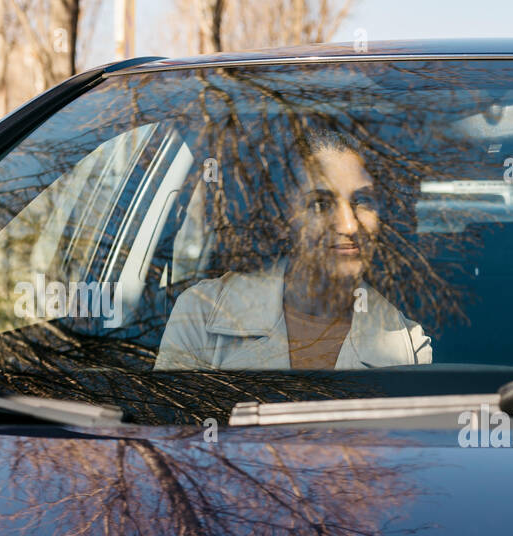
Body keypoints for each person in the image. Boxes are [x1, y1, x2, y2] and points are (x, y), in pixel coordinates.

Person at [155, 128, 431, 370]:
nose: (349, 226)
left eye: (363, 201)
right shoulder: (201, 316)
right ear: (283, 221)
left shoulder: (407, 346)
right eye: (320, 204)